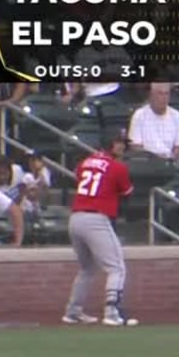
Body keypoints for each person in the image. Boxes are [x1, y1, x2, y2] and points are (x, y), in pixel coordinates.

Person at [63, 132, 138, 326]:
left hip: (76, 218)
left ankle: (73, 311)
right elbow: (127, 192)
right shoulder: (117, 167)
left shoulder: (86, 162)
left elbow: (79, 176)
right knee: (117, 267)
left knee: (87, 268)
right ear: (110, 144)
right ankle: (112, 312)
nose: (123, 147)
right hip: (96, 218)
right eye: (120, 143)